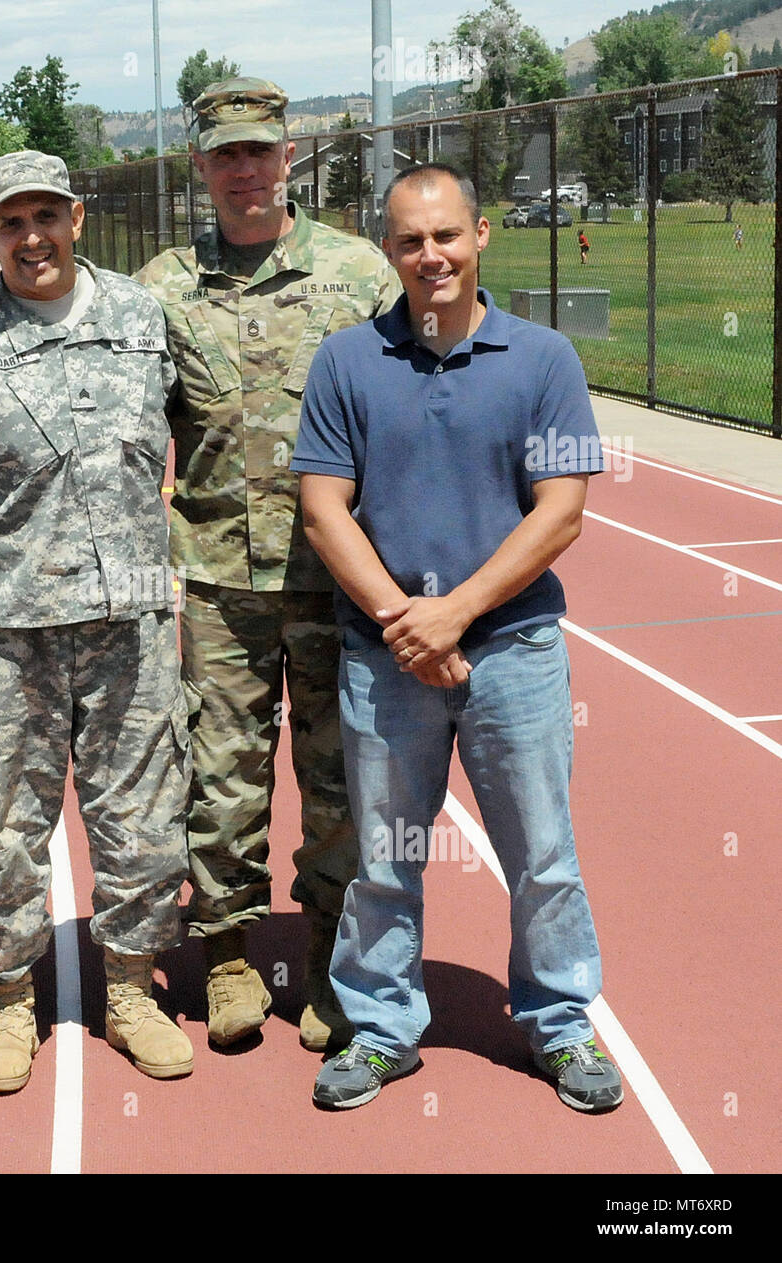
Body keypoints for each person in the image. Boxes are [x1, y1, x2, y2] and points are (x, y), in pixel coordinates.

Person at [0, 79, 401, 1054]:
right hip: (210, 583)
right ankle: (229, 956)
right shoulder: (159, 290)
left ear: (289, 158)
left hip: (336, 579)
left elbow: (414, 395)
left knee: (336, 785)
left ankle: (325, 962)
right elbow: (65, 328)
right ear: (199, 167)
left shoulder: (362, 276)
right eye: (224, 155)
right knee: (218, 785)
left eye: (261, 152)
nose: (244, 171)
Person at [292, 163, 624, 1115]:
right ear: (387, 248)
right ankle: (384, 1025)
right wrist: (409, 626)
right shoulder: (347, 362)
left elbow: (560, 511)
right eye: (409, 240)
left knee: (543, 853)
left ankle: (560, 1024)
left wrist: (455, 613)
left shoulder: (545, 359)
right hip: (387, 658)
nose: (429, 255)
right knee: (386, 855)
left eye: (446, 236)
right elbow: (323, 509)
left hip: (514, 651)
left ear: (480, 234)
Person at [0, 150, 193, 1093]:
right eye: (10, 224)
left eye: (46, 218)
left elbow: (212, 432)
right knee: (4, 826)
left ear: (78, 219)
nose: (33, 239)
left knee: (143, 821)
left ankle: (134, 990)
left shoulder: (145, 320)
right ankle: (10, 1001)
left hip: (131, 625)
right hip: (3, 636)